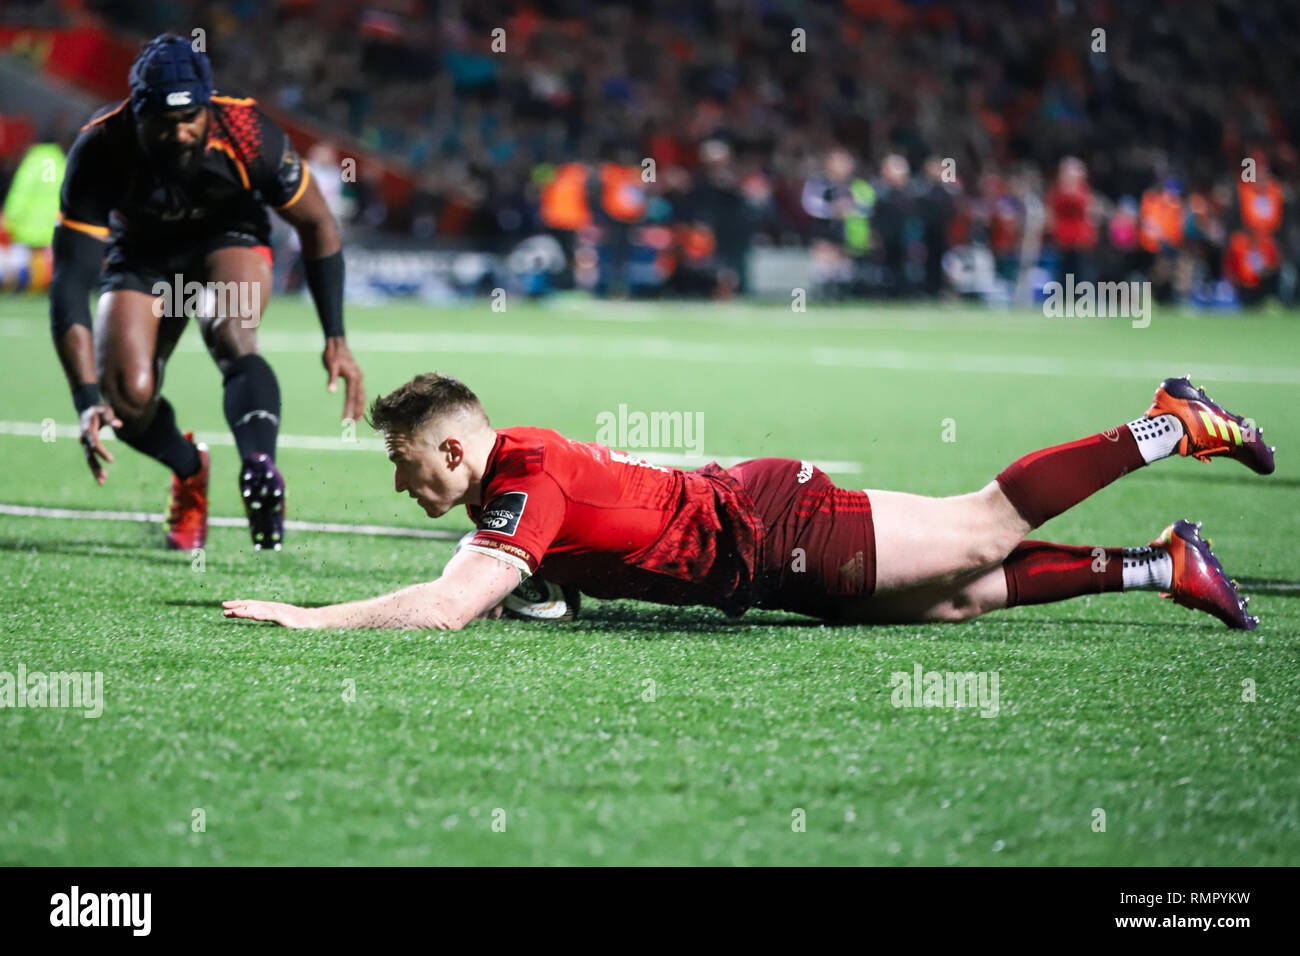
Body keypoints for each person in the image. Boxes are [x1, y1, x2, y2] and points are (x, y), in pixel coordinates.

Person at [223, 373, 1274, 632]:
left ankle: (1170, 422)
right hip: (754, 542)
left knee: (984, 522)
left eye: (408, 463)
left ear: (455, 446)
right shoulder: (511, 471)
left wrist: (309, 615)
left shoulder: (522, 481)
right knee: (953, 601)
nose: (402, 482)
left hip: (777, 528)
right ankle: (1161, 563)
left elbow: (452, 605)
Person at [51, 34, 366, 551]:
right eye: (165, 122)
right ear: (137, 110)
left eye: (190, 118)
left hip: (229, 240)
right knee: (126, 399)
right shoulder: (101, 148)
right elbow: (70, 280)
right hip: (145, 259)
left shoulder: (247, 130)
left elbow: (318, 225)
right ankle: (189, 467)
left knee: (230, 329)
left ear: (207, 105)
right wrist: (85, 398)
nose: (180, 133)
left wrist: (336, 336)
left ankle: (259, 469)